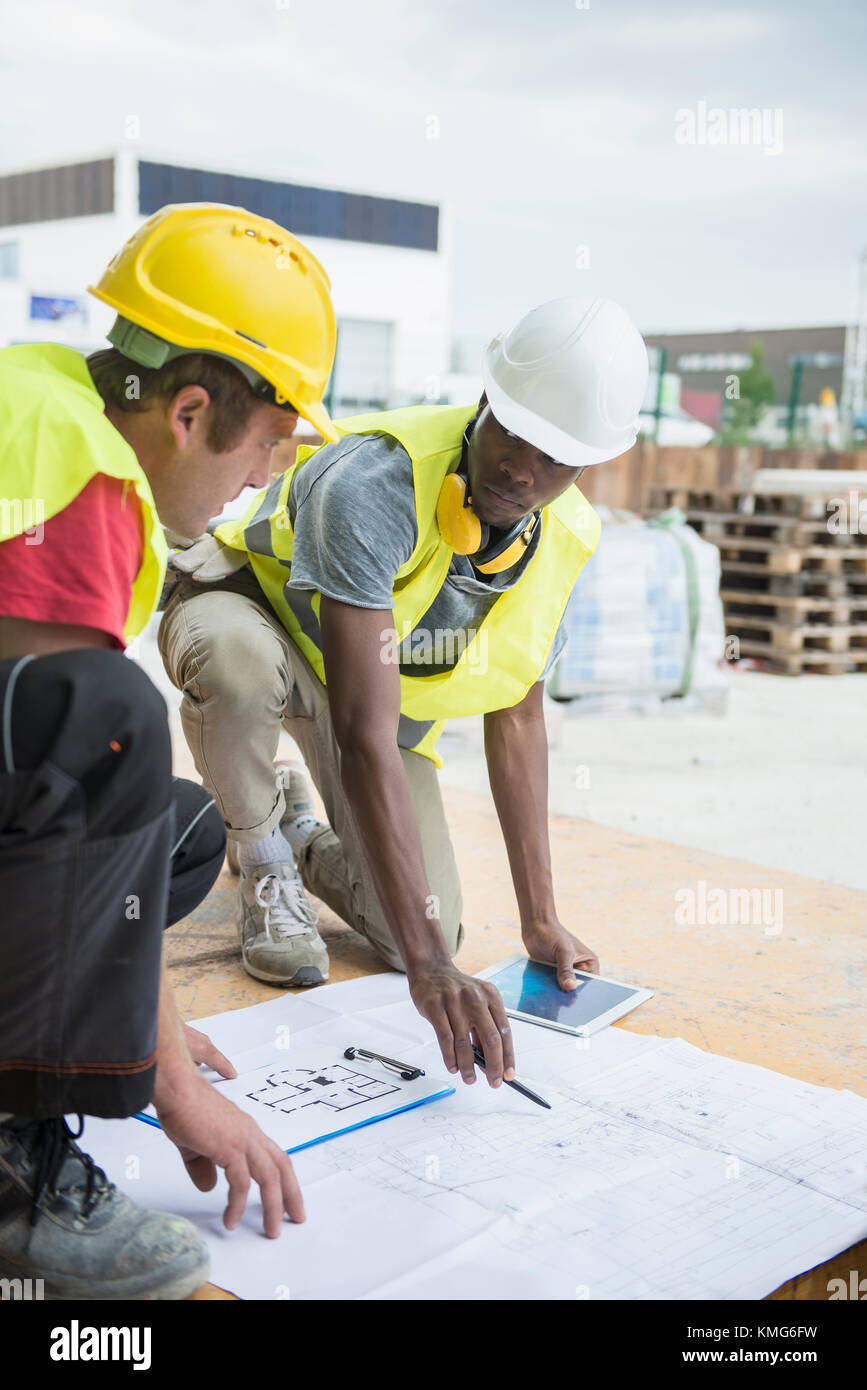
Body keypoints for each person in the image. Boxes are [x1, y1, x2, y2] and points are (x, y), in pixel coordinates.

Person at [159, 295, 649, 1092]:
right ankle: (260, 855)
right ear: (486, 401)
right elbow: (359, 733)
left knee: (420, 925)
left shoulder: (564, 539)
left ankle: (296, 828)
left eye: (557, 458)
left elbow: (518, 715)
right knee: (235, 661)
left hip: (362, 696)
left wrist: (536, 919)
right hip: (256, 619)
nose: (523, 470)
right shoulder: (379, 480)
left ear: (588, 464)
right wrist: (431, 975)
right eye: (514, 433)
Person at [0, 201, 337, 1299]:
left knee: (182, 832)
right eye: (271, 443)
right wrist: (162, 1078)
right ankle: (12, 1165)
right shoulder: (78, 467)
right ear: (190, 412)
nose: (264, 478)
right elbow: (73, 748)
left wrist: (159, 1034)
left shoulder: (49, 398)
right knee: (108, 724)